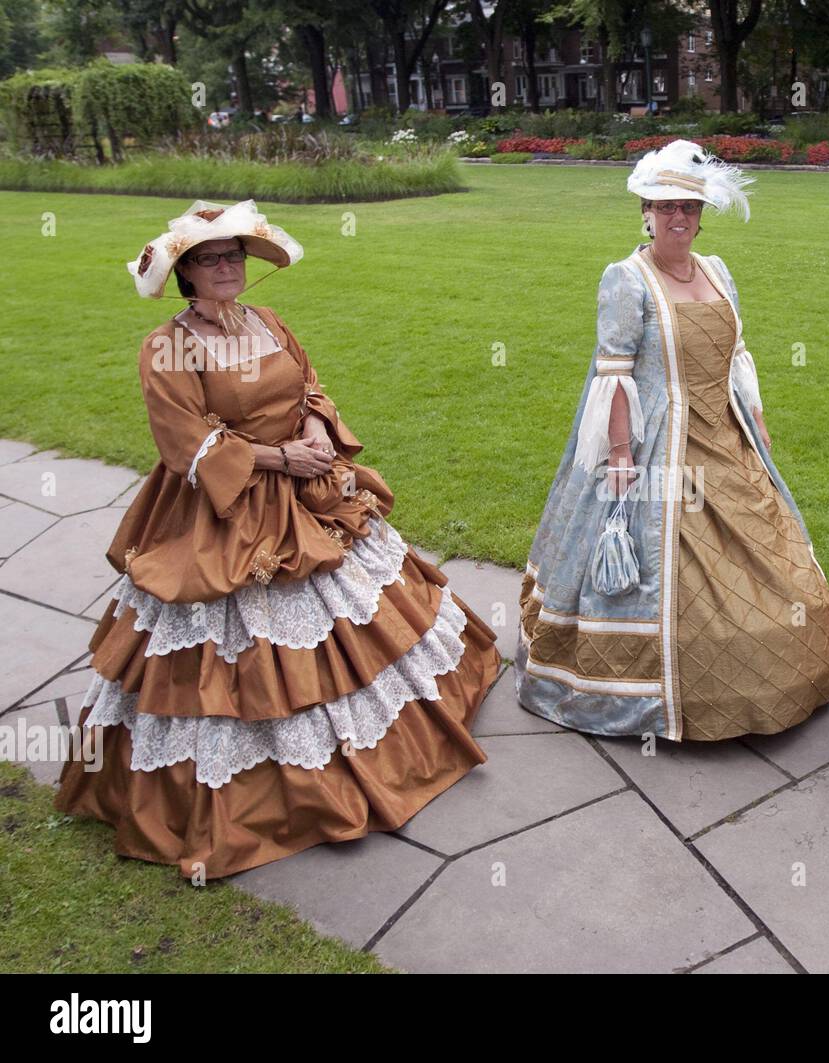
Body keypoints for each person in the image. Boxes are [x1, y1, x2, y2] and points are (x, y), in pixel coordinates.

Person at [54, 199, 501, 879]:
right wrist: (279, 461)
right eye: (209, 258)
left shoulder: (268, 321)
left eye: (233, 254)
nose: (226, 266)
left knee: (365, 604)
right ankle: (274, 783)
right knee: (246, 639)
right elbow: (189, 446)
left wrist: (317, 432)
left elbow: (309, 386)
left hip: (310, 483)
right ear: (187, 273)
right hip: (228, 507)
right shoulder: (168, 346)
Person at [516, 140, 829, 741]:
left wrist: (757, 415)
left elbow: (737, 353)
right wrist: (620, 458)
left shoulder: (718, 272)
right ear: (645, 209)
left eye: (690, 209)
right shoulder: (626, 280)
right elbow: (613, 375)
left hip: (727, 435)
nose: (679, 219)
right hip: (657, 447)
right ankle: (647, 696)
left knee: (770, 561)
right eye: (667, 206)